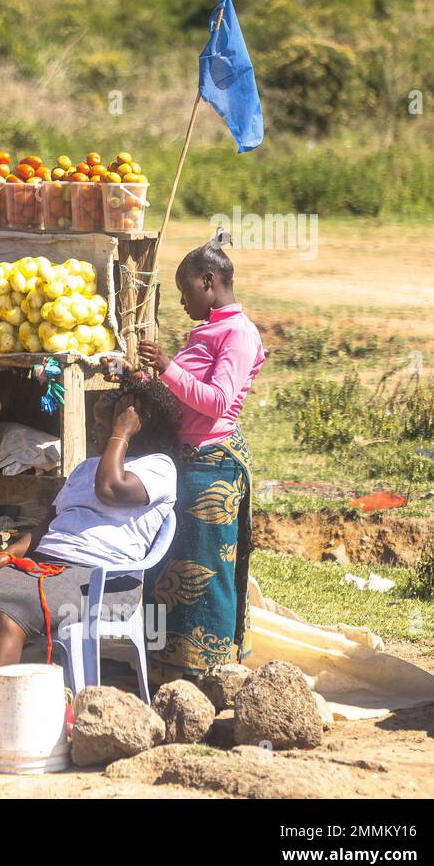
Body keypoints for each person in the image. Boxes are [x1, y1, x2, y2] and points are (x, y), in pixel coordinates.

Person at [0, 377, 181, 762]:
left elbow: (110, 489)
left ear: (135, 425)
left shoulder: (159, 468)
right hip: (48, 565)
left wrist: (120, 435)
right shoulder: (86, 468)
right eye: (99, 425)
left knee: (10, 619)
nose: (99, 432)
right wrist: (12, 553)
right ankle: (9, 705)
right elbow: (48, 524)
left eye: (108, 424)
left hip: (101, 580)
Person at [128, 239, 265, 681]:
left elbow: (217, 401)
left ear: (210, 282)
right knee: (170, 568)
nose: (184, 302)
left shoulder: (238, 333)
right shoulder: (209, 329)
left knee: (207, 572)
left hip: (213, 469)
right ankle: (168, 667)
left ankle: (212, 670)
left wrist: (168, 367)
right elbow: (185, 391)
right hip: (187, 463)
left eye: (187, 292)